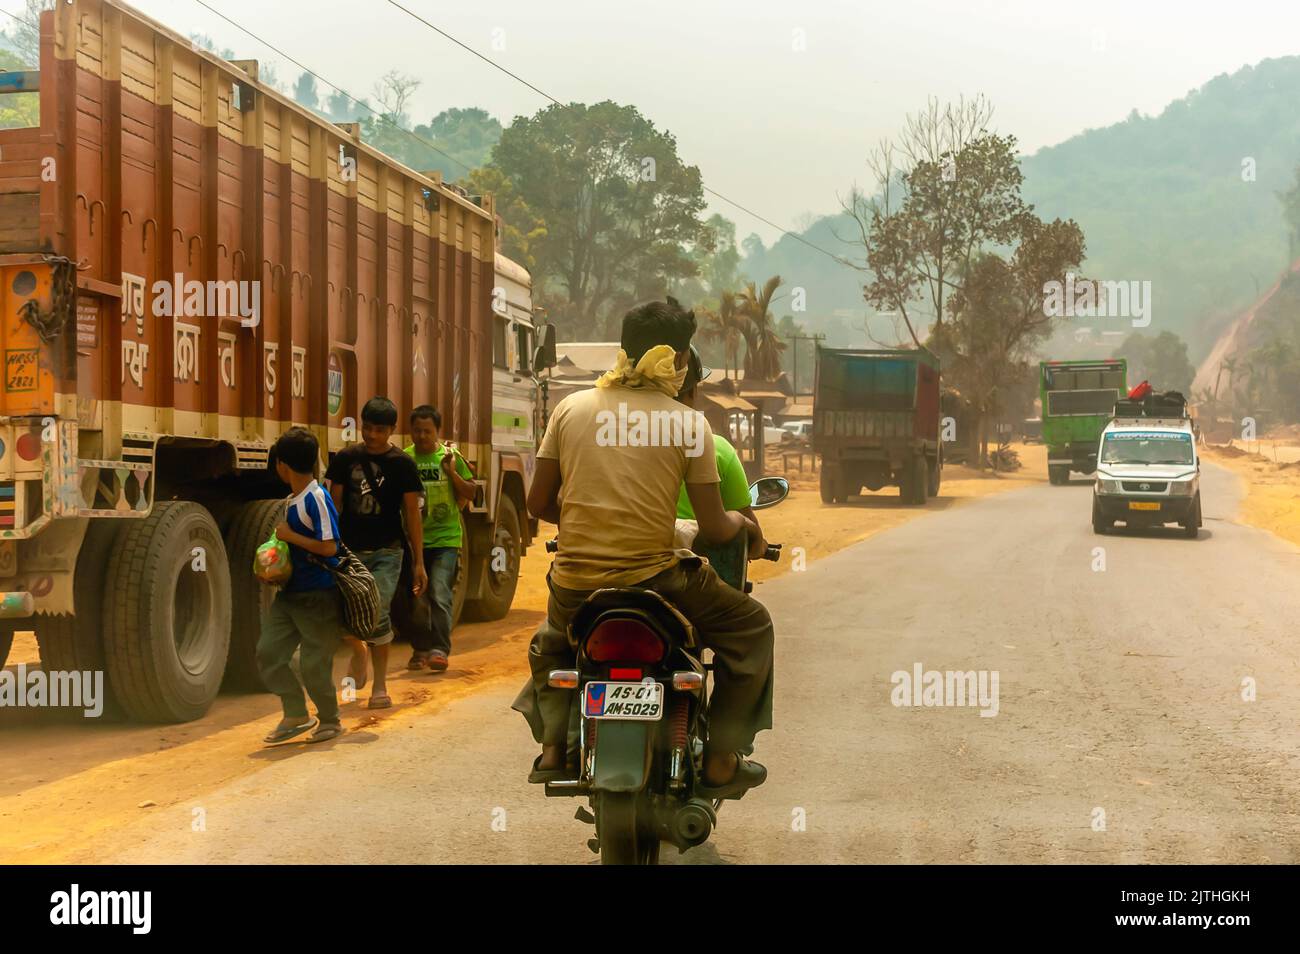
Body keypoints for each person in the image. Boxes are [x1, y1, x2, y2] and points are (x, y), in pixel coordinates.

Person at [511, 298, 775, 800]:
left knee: (551, 644)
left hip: (575, 585)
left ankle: (553, 750)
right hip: (659, 582)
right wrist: (745, 522)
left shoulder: (570, 409)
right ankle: (721, 758)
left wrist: (587, 523)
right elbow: (717, 529)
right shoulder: (689, 424)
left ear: (624, 349)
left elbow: (537, 501)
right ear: (679, 359)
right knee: (753, 627)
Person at [324, 397, 426, 709]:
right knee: (344, 614)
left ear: (392, 431)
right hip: (350, 551)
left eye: (379, 430)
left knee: (377, 611)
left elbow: (412, 513)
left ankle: (380, 685)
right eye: (367, 428)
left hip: (388, 551)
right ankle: (359, 651)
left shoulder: (403, 465)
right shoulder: (345, 459)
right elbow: (334, 506)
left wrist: (419, 562)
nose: (371, 435)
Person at [257, 426, 346, 744]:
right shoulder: (292, 500)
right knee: (268, 653)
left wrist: (290, 536)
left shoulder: (316, 498)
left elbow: (330, 546)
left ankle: (330, 719)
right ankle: (295, 713)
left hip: (318, 595)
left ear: (282, 465)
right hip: (290, 595)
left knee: (313, 663)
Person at [398, 405, 476, 672]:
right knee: (416, 598)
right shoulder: (403, 460)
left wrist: (452, 473)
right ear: (410, 431)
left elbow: (472, 491)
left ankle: (440, 649)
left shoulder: (451, 457)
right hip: (414, 541)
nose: (422, 436)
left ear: (437, 432)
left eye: (427, 431)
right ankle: (420, 649)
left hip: (446, 540)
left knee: (439, 591)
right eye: (417, 431)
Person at [674, 345, 767, 559]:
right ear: (694, 390)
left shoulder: (620, 438)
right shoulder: (715, 447)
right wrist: (745, 524)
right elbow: (717, 529)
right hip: (684, 572)